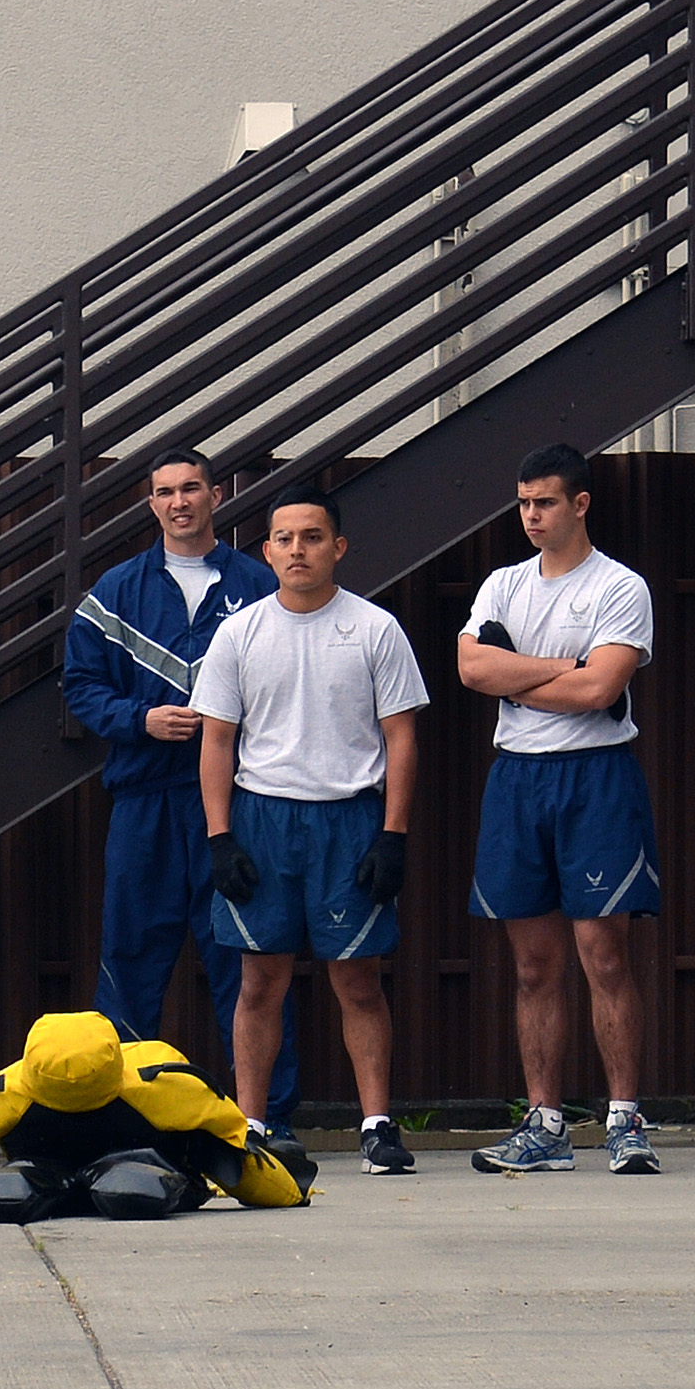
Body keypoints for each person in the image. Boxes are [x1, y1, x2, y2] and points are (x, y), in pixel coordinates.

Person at [192, 486, 429, 1172]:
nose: (298, 549)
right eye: (285, 539)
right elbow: (215, 741)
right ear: (266, 552)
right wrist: (219, 836)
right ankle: (253, 1125)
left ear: (339, 547)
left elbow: (401, 739)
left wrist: (394, 834)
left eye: (313, 537)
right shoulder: (239, 633)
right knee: (259, 980)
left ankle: (378, 1126)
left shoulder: (376, 628)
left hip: (349, 817)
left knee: (358, 979)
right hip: (262, 815)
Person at [65, 448, 293, 1115]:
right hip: (144, 801)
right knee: (132, 958)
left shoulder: (258, 583)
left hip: (240, 805)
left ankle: (263, 1118)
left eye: (191, 488)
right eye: (165, 492)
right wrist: (138, 718)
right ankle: (115, 1111)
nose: (179, 502)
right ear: (152, 504)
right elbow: (79, 683)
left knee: (247, 961)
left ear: (215, 494)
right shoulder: (114, 591)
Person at [457, 442, 660, 1173]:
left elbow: (600, 691)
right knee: (534, 966)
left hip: (596, 778)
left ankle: (624, 1119)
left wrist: (520, 679)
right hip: (518, 779)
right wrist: (558, 671)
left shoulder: (620, 588)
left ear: (580, 503)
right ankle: (544, 1125)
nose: (532, 515)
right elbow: (470, 666)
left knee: (604, 955)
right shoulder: (502, 584)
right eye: (523, 503)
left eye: (545, 502)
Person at [0, 1010, 314, 1222]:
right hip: (143, 1154)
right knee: (145, 1176)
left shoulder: (1, 1090)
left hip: (42, 1156)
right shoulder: (163, 1081)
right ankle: (136, 1180)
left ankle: (29, 1181)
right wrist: (288, 1191)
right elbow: (232, 1147)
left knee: (9, 1184)